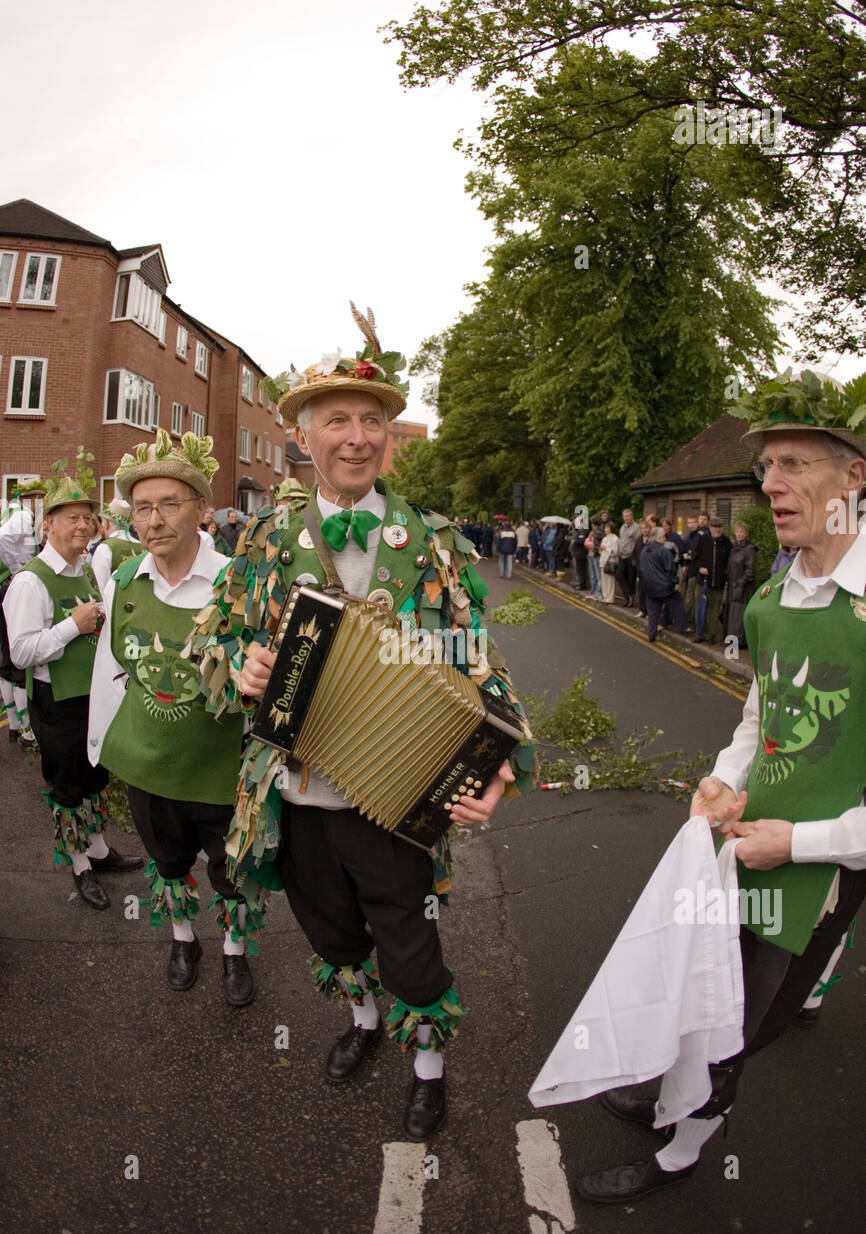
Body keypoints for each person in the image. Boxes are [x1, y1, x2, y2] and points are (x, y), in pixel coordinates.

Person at [190, 304, 536, 1140]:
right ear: (302, 440)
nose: (355, 436)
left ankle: (427, 1064)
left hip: (399, 802)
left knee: (409, 947)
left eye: (371, 421)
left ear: (390, 437)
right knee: (333, 934)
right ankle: (362, 1020)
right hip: (295, 799)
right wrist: (240, 666)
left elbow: (475, 657)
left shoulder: (431, 542)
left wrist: (501, 763)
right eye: (335, 420)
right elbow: (213, 640)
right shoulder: (265, 539)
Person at [574, 371, 866, 1201]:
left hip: (819, 870)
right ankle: (672, 1091)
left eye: (795, 464)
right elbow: (759, 718)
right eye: (767, 466)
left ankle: (680, 1150)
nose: (770, 484)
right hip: (743, 846)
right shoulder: (776, 594)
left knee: (737, 1025)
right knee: (700, 977)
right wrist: (722, 780)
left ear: (853, 478)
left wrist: (799, 843)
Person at [87, 431, 263, 1005]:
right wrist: (103, 746)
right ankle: (184, 938)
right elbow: (111, 669)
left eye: (170, 504)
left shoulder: (236, 583)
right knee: (168, 864)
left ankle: (235, 953)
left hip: (221, 768)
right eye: (142, 507)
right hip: (151, 765)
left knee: (232, 873)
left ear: (202, 510)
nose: (154, 519)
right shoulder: (121, 584)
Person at [3, 465, 141, 909]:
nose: (82, 525)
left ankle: (98, 850)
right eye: (71, 517)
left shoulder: (84, 569)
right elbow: (21, 653)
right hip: (56, 702)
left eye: (88, 517)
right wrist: (72, 625)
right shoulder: (29, 580)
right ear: (49, 524)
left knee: (94, 776)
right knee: (66, 787)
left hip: (91, 694)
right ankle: (80, 865)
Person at [0, 481, 41, 744]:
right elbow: (4, 540)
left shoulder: (9, 511)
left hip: (3, 585)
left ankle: (14, 726)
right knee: (17, 660)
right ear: (34, 496)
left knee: (5, 659)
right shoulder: (24, 514)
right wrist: (20, 568)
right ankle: (27, 730)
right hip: (9, 585)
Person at [639, 526, 687, 641]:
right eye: (664, 536)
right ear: (659, 537)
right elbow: (670, 569)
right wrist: (675, 582)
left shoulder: (644, 550)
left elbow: (641, 568)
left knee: (653, 612)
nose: (665, 538)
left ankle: (651, 634)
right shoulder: (663, 550)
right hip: (664, 586)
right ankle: (682, 627)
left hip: (649, 586)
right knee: (678, 602)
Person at [90, 499, 143, 596]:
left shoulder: (105, 548)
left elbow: (99, 588)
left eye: (102, 522)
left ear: (106, 524)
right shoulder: (142, 547)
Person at [692, 517, 732, 644]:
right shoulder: (703, 539)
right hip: (703, 581)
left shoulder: (727, 542)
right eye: (715, 526)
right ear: (710, 527)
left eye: (720, 526)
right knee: (700, 608)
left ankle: (711, 636)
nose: (718, 529)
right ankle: (700, 634)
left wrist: (726, 574)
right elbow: (695, 556)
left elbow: (729, 562)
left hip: (718, 583)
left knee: (714, 611)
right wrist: (700, 568)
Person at [725, 521, 756, 647]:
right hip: (732, 586)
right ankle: (731, 640)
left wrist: (740, 584)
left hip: (742, 588)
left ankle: (738, 642)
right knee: (732, 615)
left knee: (738, 615)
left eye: (741, 532)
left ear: (746, 534)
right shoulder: (734, 548)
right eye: (737, 531)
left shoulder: (749, 550)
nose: (739, 534)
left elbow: (750, 571)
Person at [617, 508, 641, 606]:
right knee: (619, 575)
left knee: (631, 579)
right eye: (625, 516)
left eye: (628, 516)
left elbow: (638, 542)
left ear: (632, 516)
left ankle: (629, 600)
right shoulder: (622, 527)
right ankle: (628, 596)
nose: (626, 518)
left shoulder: (636, 528)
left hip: (631, 557)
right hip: (622, 556)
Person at [599, 521, 619, 603]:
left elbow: (615, 552)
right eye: (605, 528)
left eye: (607, 528)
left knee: (610, 581)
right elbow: (601, 550)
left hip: (610, 562)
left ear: (611, 529)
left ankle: (610, 598)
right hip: (603, 561)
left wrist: (605, 548)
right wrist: (601, 549)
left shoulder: (615, 539)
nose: (605, 529)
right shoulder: (604, 538)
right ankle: (605, 596)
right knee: (604, 580)